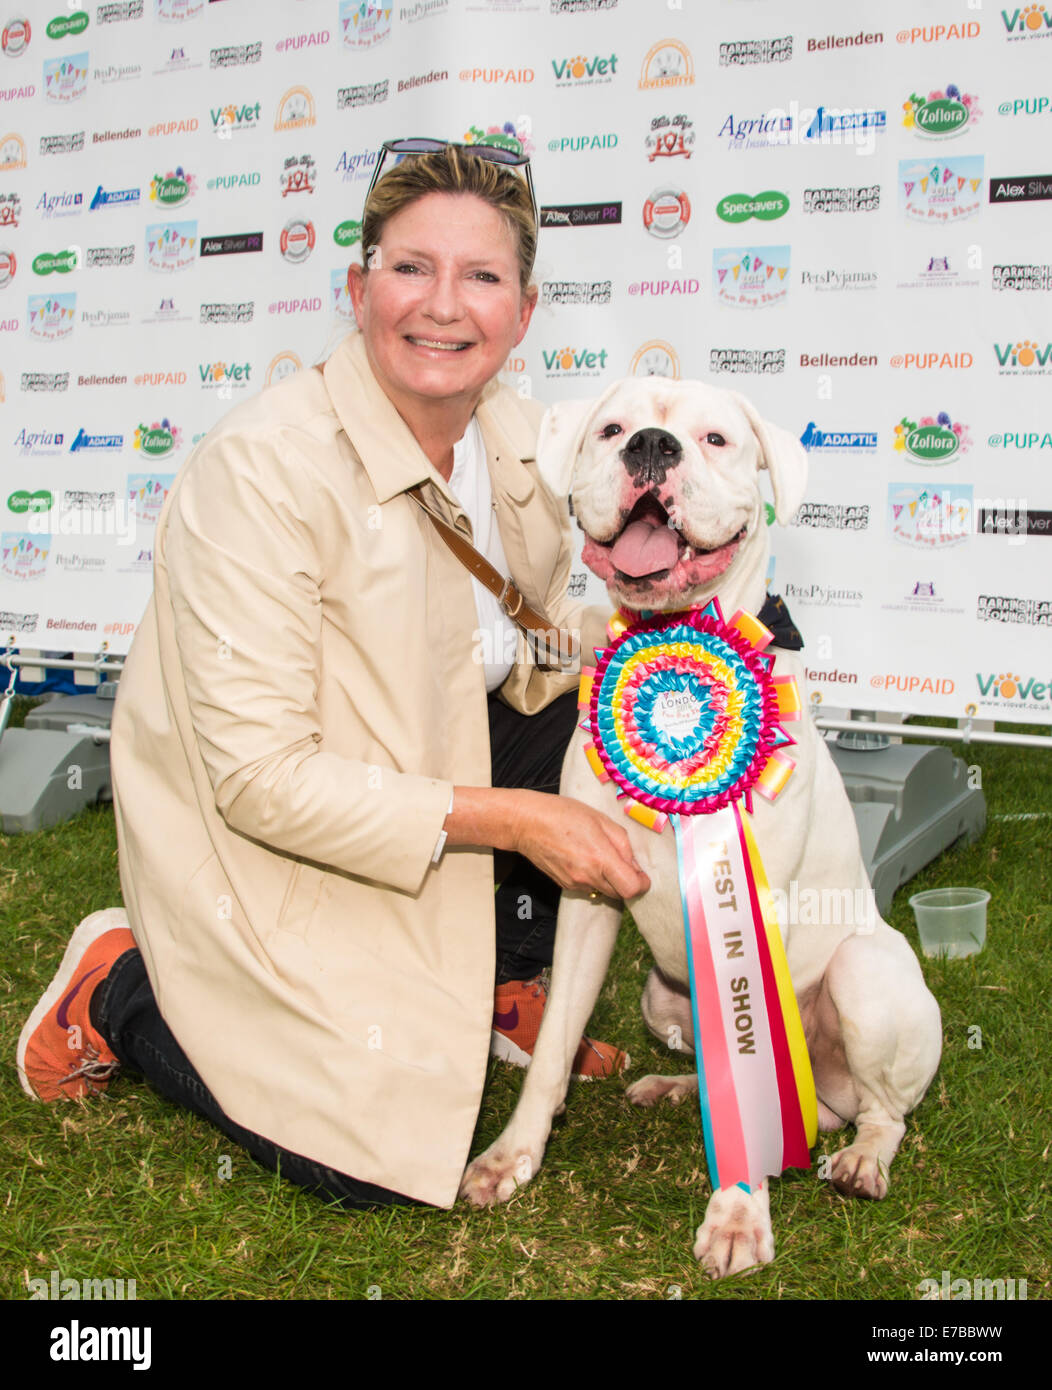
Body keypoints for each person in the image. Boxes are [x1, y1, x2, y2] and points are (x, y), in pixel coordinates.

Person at [17, 140, 649, 1210]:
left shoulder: (519, 443)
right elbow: (259, 778)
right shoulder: (261, 469)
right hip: (274, 828)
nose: (442, 306)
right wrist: (516, 822)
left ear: (524, 312)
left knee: (629, 709)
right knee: (367, 1166)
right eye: (411, 268)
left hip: (426, 769)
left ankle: (498, 977)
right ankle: (121, 981)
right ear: (358, 289)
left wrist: (653, 629)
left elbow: (522, 645)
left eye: (481, 276)